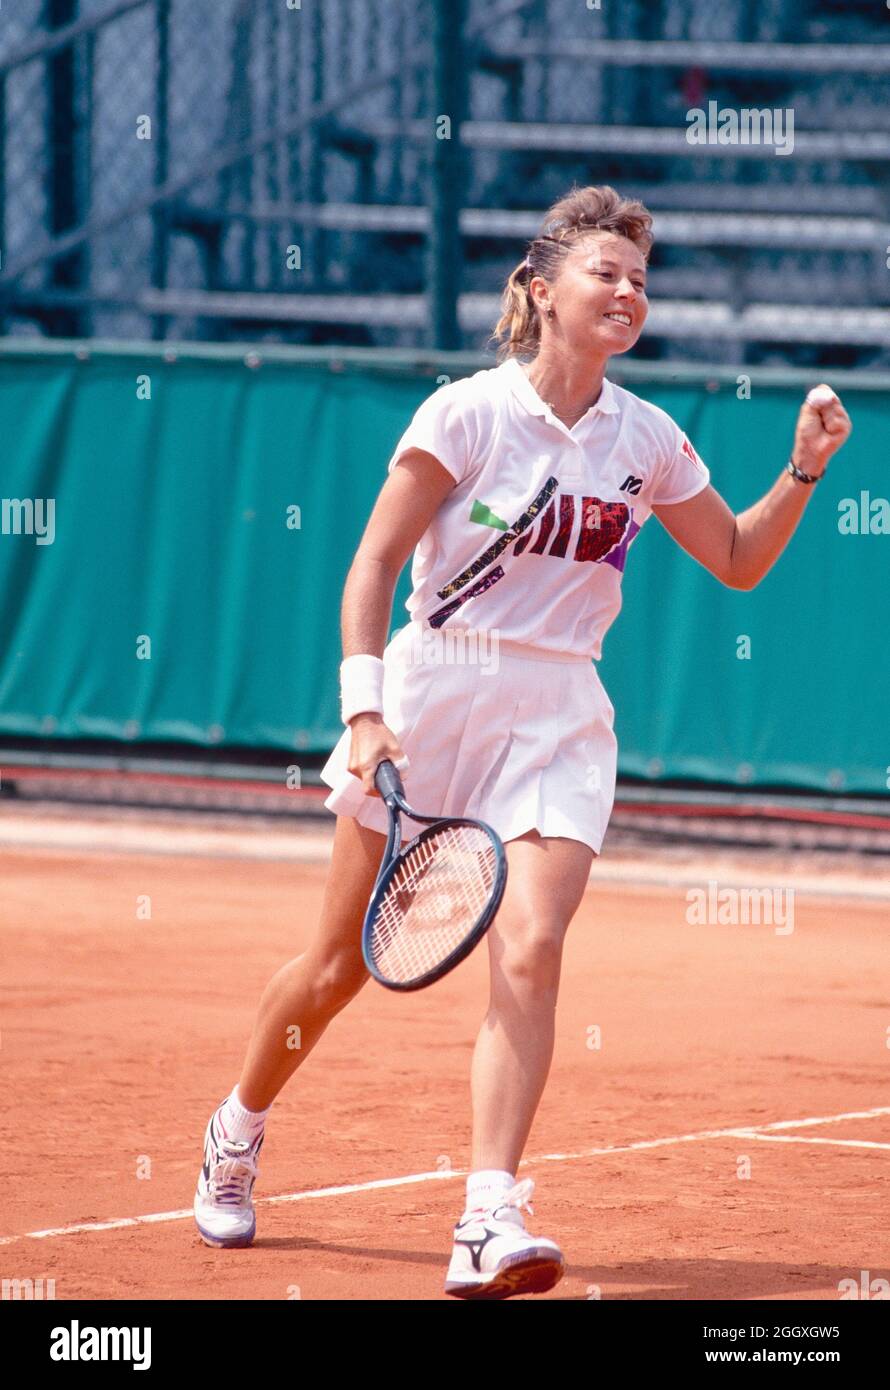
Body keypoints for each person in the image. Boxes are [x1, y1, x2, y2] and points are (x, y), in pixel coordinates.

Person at [193, 184, 852, 1299]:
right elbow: (370, 565)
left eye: (641, 279)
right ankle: (236, 1125)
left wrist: (801, 470)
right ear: (540, 291)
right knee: (339, 964)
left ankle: (486, 1216)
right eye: (607, 272)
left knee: (531, 945)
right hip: (433, 688)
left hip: (559, 710)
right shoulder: (464, 414)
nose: (628, 292)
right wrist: (363, 711)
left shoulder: (647, 438)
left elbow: (735, 558)